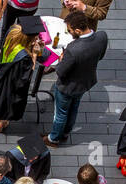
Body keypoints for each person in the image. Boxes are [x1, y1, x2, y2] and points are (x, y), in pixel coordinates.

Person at [42, 11, 107, 147]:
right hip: (85, 82)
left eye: (70, 30)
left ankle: (54, 139)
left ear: (77, 30)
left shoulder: (73, 49)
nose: (69, 32)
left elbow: (60, 71)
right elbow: (100, 57)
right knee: (74, 108)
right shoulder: (102, 36)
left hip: (67, 87)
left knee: (60, 113)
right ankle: (66, 133)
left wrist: (61, 59)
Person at [0, 18, 43, 132]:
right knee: (7, 105)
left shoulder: (11, 33)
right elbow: (25, 78)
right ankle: (2, 124)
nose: (36, 39)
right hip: (11, 85)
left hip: (0, 76)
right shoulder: (24, 57)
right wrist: (35, 55)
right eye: (35, 38)